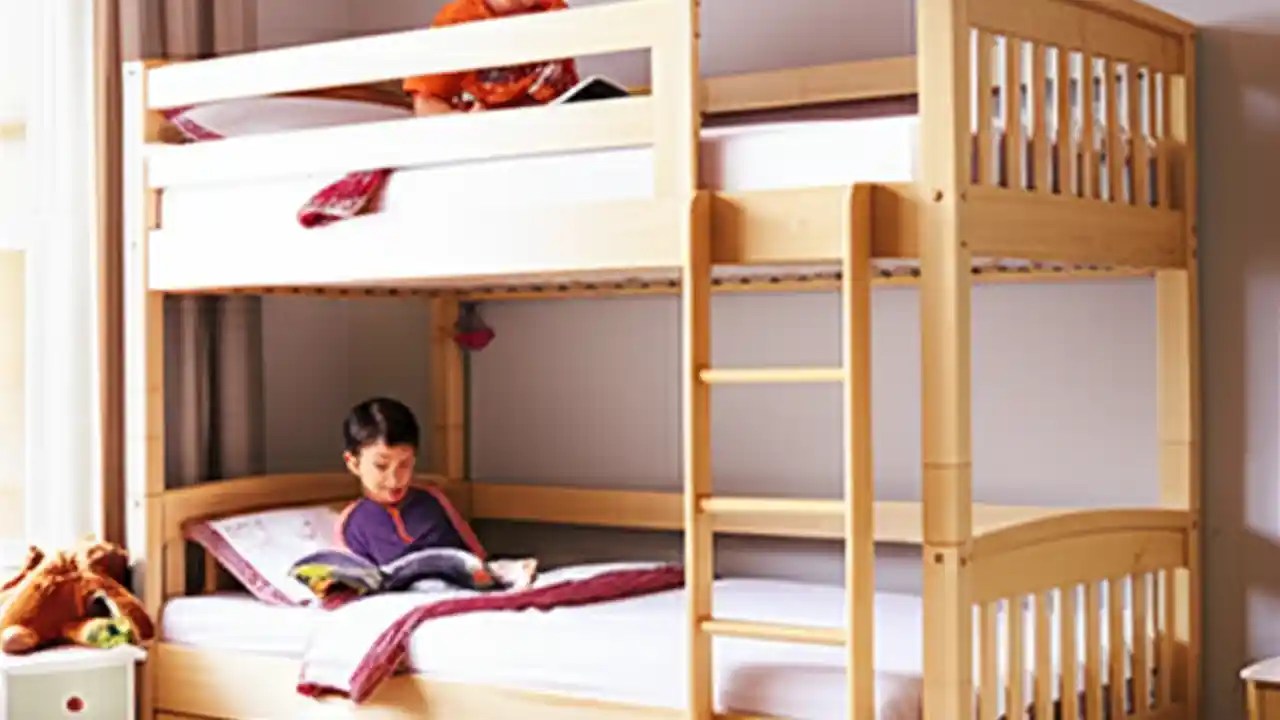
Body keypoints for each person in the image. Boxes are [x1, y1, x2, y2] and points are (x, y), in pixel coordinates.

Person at [327, 397, 536, 594]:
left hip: (462, 593)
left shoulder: (433, 500)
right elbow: (357, 583)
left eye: (404, 464)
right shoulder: (351, 524)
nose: (394, 479)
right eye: (381, 466)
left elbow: (477, 555)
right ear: (353, 463)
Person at [403, 0, 580, 115]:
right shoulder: (459, 18)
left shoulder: (555, 10)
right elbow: (426, 102)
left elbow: (565, 87)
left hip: (553, 130)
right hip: (489, 135)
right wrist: (467, 127)